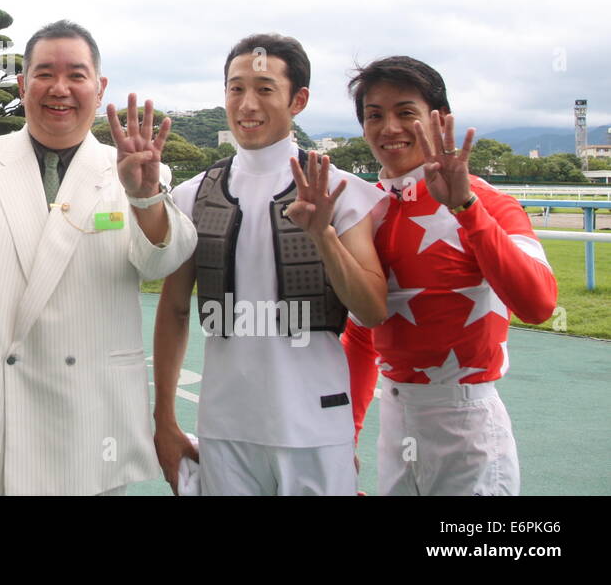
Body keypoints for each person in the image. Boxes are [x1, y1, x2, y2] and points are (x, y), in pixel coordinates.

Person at [0, 19, 197, 495]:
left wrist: (145, 199)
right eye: (44, 73)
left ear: (99, 87)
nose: (59, 88)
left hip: (89, 414)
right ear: (23, 85)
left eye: (76, 75)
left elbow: (161, 265)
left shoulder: (135, 169)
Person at [153, 33, 387, 496]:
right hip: (225, 428)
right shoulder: (191, 194)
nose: (246, 104)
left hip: (315, 427)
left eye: (264, 88)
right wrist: (164, 419)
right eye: (235, 88)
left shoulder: (342, 192)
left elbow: (373, 309)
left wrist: (323, 234)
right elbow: (176, 309)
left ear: (298, 99)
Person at [342, 56, 557, 495]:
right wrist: (345, 436)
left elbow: (538, 304)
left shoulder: (488, 200)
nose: (389, 129)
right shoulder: (365, 210)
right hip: (396, 423)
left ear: (438, 120)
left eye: (406, 112)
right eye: (374, 116)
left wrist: (466, 210)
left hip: (467, 426)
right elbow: (364, 334)